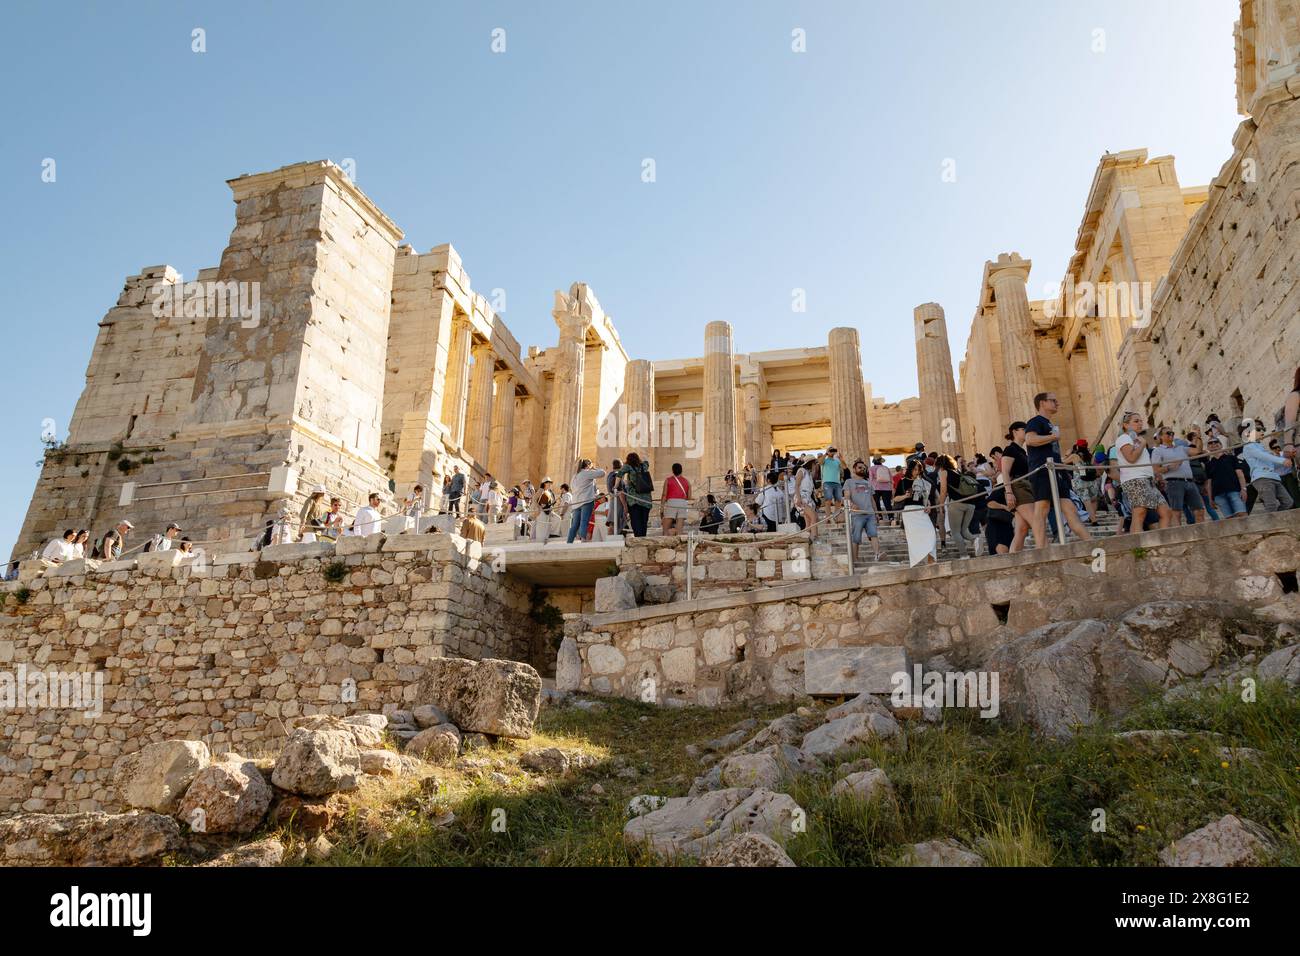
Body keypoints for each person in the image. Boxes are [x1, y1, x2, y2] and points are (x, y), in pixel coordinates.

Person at [1025, 392, 1091, 545]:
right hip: (1042, 471)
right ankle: (1041, 550)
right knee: (1042, 510)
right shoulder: (1036, 421)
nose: (1057, 403)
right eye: (1053, 400)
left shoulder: (1050, 424)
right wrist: (1052, 437)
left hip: (1056, 472)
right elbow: (1030, 439)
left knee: (1070, 509)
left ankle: (1090, 543)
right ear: (1042, 403)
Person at [1115, 411, 1173, 531]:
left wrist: (1155, 475)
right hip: (1134, 480)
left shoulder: (1137, 439)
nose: (1140, 423)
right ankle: (1138, 546)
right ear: (1125, 425)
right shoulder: (1124, 438)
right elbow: (1131, 458)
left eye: (1141, 421)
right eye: (1136, 421)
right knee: (1139, 512)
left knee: (1165, 512)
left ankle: (1163, 540)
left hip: (1147, 480)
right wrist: (1142, 444)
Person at [1150, 426, 1206, 525]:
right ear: (1161, 437)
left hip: (1190, 481)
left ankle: (1203, 535)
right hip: (1173, 482)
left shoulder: (1181, 448)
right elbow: (1155, 469)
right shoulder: (1158, 451)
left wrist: (1198, 437)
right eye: (1168, 433)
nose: (1171, 434)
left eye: (1172, 432)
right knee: (1177, 513)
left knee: (1199, 511)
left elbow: (1198, 451)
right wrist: (1169, 467)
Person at [1239, 421, 1294, 512]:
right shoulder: (1248, 446)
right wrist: (1282, 460)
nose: (1262, 431)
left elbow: (1270, 462)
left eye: (1263, 429)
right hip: (1262, 478)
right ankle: (1273, 523)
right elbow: (1263, 456)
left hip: (1273, 477)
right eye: (1258, 429)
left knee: (1288, 502)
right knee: (1271, 505)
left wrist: (1286, 457)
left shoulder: (1259, 446)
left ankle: (1275, 521)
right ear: (1247, 433)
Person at [1000, 423, 1039, 552]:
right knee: (1036, 522)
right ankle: (1045, 553)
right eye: (1024, 429)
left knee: (1022, 529)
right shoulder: (1010, 449)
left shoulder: (1022, 451)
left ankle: (1013, 561)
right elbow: (1005, 472)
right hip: (1019, 487)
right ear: (1014, 432)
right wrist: (1009, 492)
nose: (1027, 431)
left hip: (1027, 487)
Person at [936, 454, 979, 559]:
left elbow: (943, 491)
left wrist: (941, 506)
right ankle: (976, 539)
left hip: (956, 504)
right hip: (970, 504)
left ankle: (964, 555)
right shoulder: (958, 471)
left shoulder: (943, 472)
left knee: (955, 532)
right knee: (964, 531)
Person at [843, 460, 882, 562]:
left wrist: (877, 512)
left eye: (864, 468)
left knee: (873, 534)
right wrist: (851, 504)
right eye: (860, 467)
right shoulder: (849, 482)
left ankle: (877, 555)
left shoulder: (868, 483)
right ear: (854, 469)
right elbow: (846, 496)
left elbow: (872, 499)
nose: (862, 469)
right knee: (856, 538)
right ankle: (855, 560)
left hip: (870, 513)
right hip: (857, 514)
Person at [613, 452, 654, 537]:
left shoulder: (628, 466)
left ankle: (638, 538)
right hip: (646, 500)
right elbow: (646, 459)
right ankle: (643, 537)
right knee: (644, 521)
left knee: (636, 520)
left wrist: (615, 486)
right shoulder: (644, 466)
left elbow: (620, 474)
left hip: (634, 499)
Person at [566, 459, 606, 543]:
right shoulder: (587, 473)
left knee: (574, 524)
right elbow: (602, 473)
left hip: (576, 502)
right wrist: (594, 469)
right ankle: (583, 539)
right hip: (586, 501)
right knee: (584, 521)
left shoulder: (574, 476)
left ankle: (569, 541)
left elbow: (572, 488)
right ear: (588, 465)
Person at [661, 463, 691, 535]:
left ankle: (665, 541)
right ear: (681, 470)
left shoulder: (668, 480)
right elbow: (689, 496)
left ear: (672, 470)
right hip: (683, 503)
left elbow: (664, 494)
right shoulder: (687, 481)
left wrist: (662, 507)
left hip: (672, 502)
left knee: (666, 527)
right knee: (679, 528)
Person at [820, 447, 845, 523]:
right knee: (828, 501)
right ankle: (827, 518)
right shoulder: (825, 460)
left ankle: (836, 517)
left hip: (837, 483)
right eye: (831, 451)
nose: (832, 452)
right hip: (827, 482)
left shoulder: (837, 461)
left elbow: (845, 467)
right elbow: (820, 462)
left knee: (838, 501)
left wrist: (841, 459)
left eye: (833, 451)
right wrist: (826, 453)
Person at [868, 456, 894, 522]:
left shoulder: (871, 468)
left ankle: (880, 517)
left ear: (873, 462)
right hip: (887, 488)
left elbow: (870, 479)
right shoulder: (886, 468)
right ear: (881, 461)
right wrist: (892, 488)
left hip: (876, 488)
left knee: (877, 503)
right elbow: (891, 479)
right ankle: (891, 517)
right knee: (887, 504)